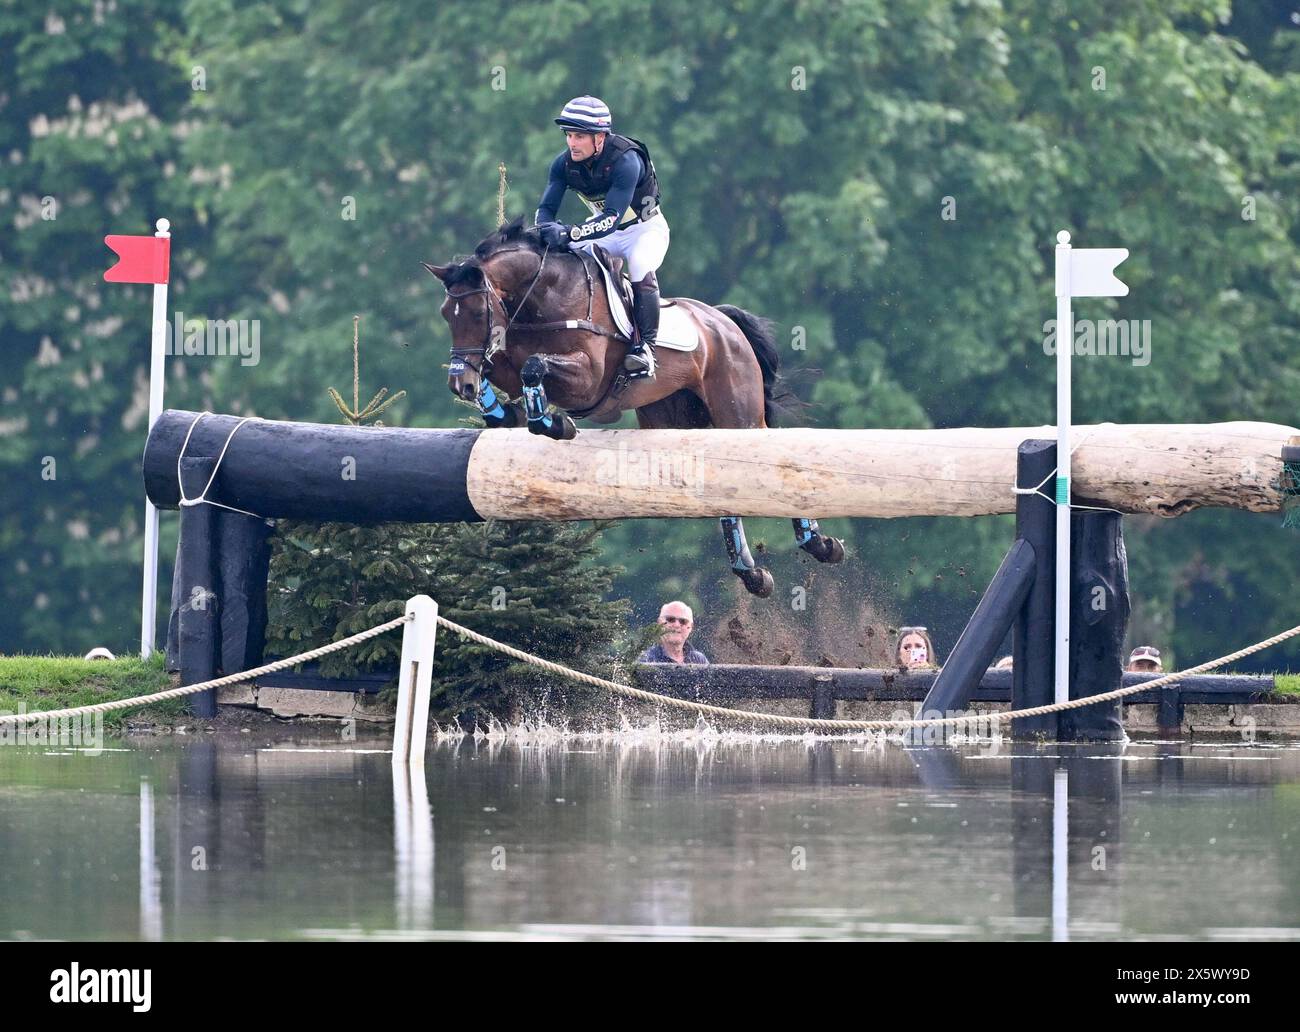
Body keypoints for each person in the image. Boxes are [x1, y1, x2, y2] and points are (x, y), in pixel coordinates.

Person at [535, 95, 669, 381]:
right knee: (556, 256)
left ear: (600, 137)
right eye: (569, 135)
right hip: (603, 230)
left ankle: (646, 349)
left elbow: (611, 219)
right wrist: (545, 232)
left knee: (641, 265)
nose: (572, 143)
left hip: (644, 231)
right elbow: (546, 210)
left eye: (580, 136)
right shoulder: (562, 165)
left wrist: (569, 232)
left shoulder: (627, 160)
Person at [638, 601, 709, 665]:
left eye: (683, 621)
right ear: (659, 623)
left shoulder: (699, 660)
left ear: (690, 627)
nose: (676, 625)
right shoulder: (647, 660)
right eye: (670, 619)